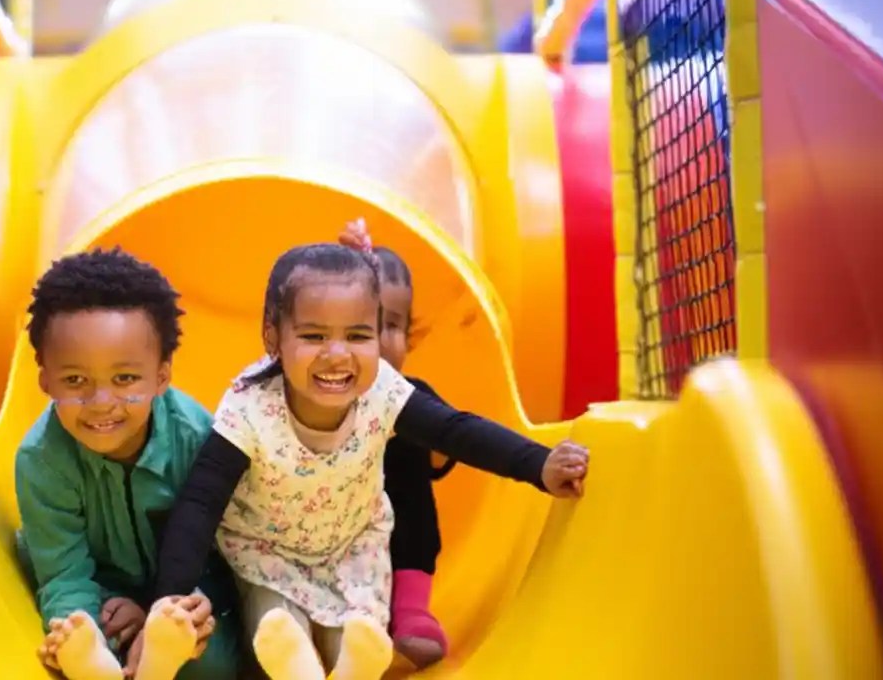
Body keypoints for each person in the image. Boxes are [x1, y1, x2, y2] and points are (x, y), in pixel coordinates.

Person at [151, 242, 589, 680]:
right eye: (313, 336)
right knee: (277, 627)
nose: (338, 354)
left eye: (358, 335)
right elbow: (201, 501)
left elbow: (454, 431)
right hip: (268, 556)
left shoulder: (383, 391)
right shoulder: (251, 407)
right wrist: (170, 600)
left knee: (354, 638)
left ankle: (355, 665)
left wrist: (539, 464)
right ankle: (296, 667)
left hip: (352, 553)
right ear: (273, 339)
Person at [14, 248, 239, 680]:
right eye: (75, 380)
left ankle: (155, 652)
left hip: (185, 587)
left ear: (162, 375)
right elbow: (64, 575)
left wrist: (174, 604)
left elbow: (230, 553)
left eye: (124, 379)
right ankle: (97, 664)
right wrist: (78, 628)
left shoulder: (200, 440)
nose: (101, 404)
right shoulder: (42, 460)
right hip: (105, 590)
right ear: (45, 379)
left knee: (208, 659)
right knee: (72, 626)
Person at [336, 219, 453, 669]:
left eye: (395, 326)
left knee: (415, 521)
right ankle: (349, 624)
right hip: (339, 544)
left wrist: (435, 438)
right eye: (367, 324)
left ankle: (411, 612)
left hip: (404, 545)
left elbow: (446, 452)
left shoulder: (412, 395)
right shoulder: (326, 392)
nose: (382, 341)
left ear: (411, 335)